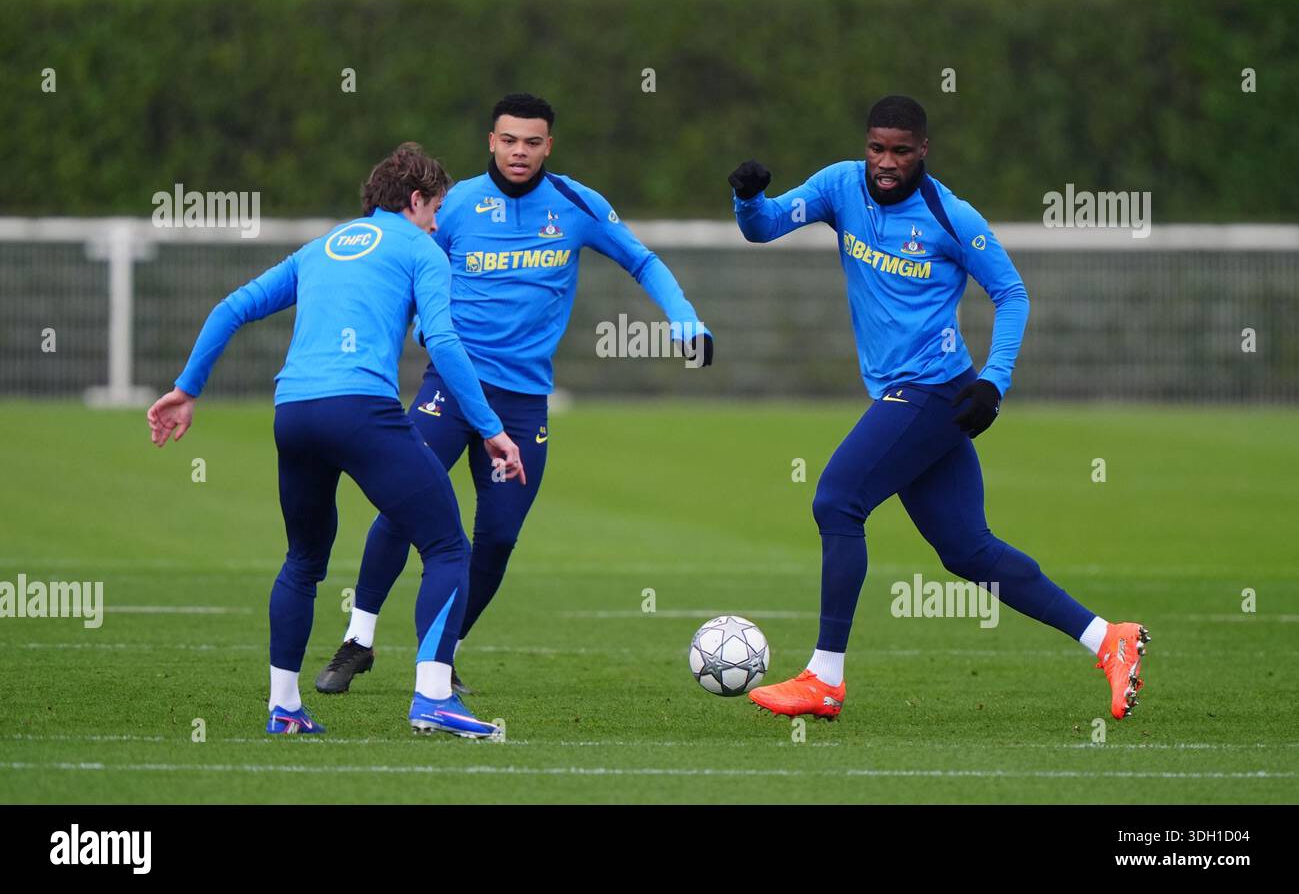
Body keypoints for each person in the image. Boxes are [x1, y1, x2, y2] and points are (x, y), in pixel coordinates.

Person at [729, 95, 1148, 722]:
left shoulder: (952, 216)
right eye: (877, 148)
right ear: (865, 146)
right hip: (912, 395)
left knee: (837, 500)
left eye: (901, 150)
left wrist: (995, 382)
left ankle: (825, 677)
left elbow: (1011, 293)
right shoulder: (840, 187)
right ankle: (1107, 638)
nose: (886, 162)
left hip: (930, 391)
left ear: (923, 149)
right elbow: (762, 229)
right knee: (968, 551)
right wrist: (748, 198)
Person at [316, 93, 712, 695]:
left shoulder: (577, 205)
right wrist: (419, 328)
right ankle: (359, 640)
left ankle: (440, 655)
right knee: (402, 506)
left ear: (549, 145)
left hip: (523, 403)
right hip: (450, 387)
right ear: (491, 141)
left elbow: (643, 261)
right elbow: (406, 272)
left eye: (532, 141)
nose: (519, 151)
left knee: (497, 538)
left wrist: (683, 318)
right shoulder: (455, 207)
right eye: (509, 140)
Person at [146, 143, 524, 738]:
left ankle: (285, 708)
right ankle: (432, 698)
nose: (438, 222)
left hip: (293, 412)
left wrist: (186, 388)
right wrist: (492, 429)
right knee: (448, 546)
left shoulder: (320, 248)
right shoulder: (420, 248)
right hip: (360, 410)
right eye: (436, 209)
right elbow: (445, 343)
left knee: (302, 561)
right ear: (417, 200)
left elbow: (231, 307)